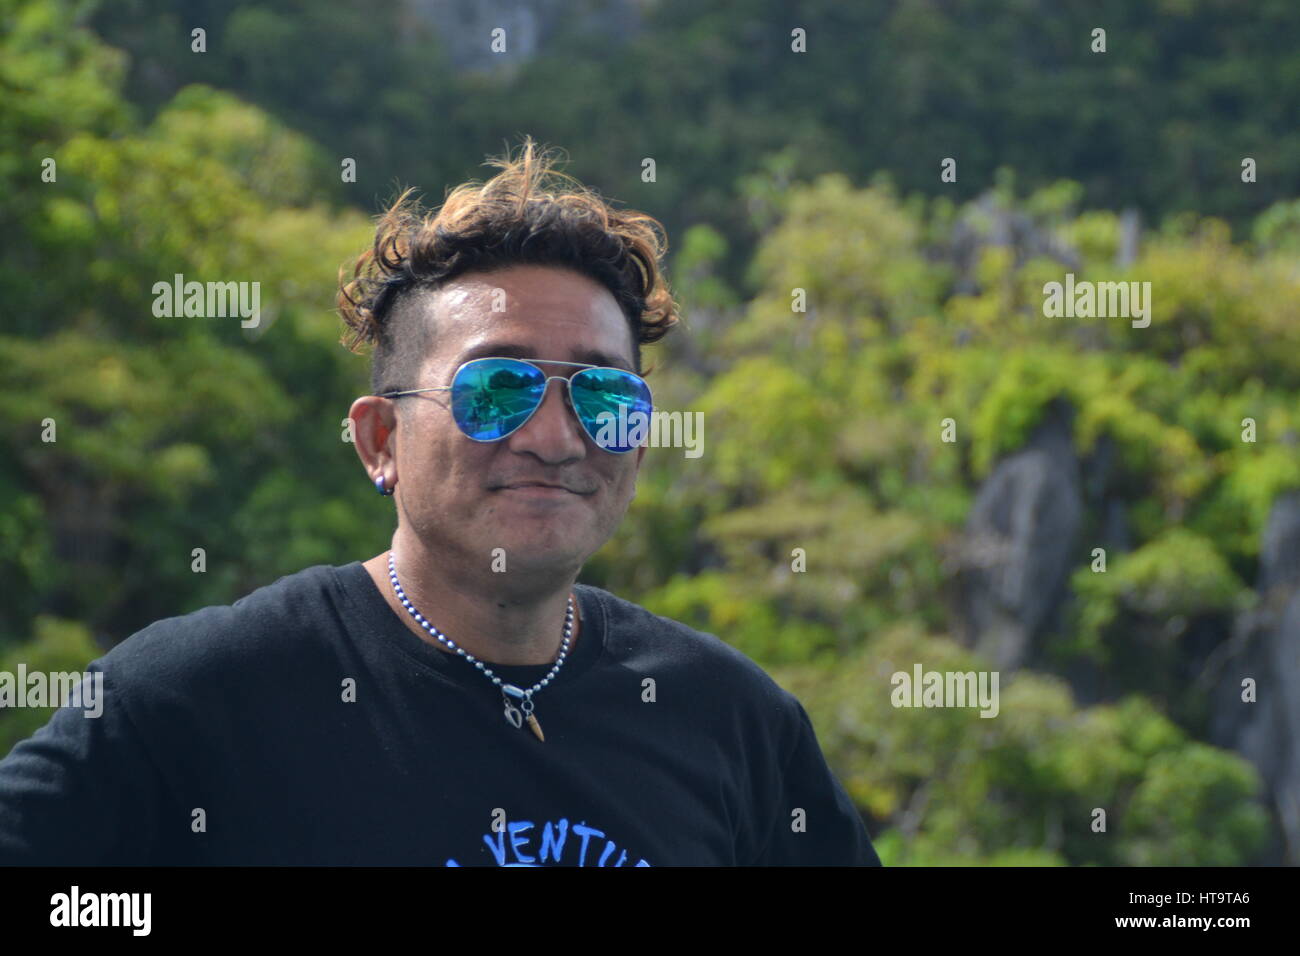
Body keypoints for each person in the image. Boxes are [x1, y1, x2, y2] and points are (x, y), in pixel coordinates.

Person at [0, 138, 881, 867]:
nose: (556, 435)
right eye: (497, 388)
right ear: (381, 439)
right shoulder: (195, 700)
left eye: (606, 399)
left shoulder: (732, 721)